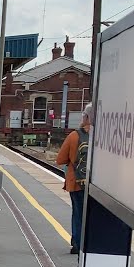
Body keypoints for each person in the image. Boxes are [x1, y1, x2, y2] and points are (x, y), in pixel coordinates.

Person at [55, 107, 91, 254]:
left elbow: (60, 160)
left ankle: (77, 243)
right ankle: (90, 244)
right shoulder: (104, 136)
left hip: (77, 183)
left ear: (87, 117)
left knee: (78, 214)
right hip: (96, 185)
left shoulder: (74, 136)